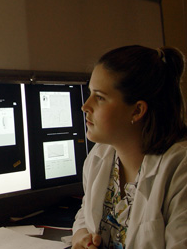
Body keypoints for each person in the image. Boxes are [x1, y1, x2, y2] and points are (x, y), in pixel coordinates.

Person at [72, 45, 187, 249]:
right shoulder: (100, 155)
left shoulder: (180, 170)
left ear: (137, 111)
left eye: (99, 97)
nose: (85, 106)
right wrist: (81, 235)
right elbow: (86, 211)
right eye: (90, 93)